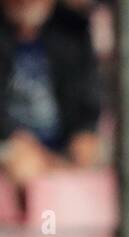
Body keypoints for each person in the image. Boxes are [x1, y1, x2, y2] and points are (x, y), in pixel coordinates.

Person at [0, 0, 102, 190]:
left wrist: (84, 133)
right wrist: (14, 138)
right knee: (23, 166)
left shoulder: (72, 29)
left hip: (63, 146)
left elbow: (88, 98)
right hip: (11, 145)